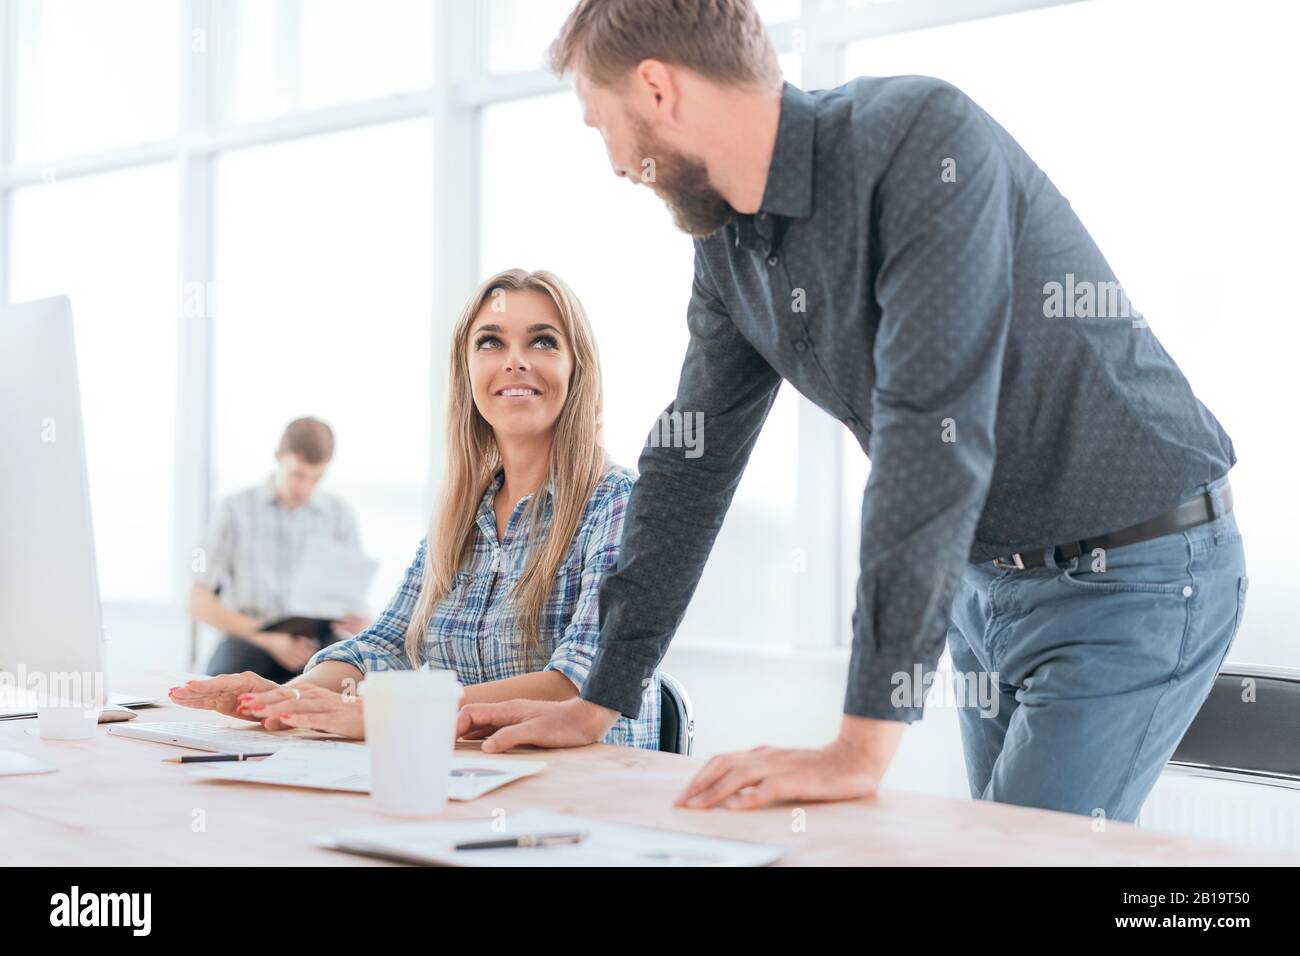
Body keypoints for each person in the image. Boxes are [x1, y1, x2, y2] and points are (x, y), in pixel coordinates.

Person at [455, 0, 1246, 822]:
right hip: (986, 584)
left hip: (1137, 571)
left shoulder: (917, 141)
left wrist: (858, 749)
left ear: (656, 89)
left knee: (1016, 859)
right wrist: (601, 696)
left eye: (601, 124)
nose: (614, 162)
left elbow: (930, 438)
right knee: (1005, 846)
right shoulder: (726, 248)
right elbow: (689, 467)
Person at [170, 269, 661, 749]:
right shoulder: (463, 514)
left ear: (577, 369)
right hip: (479, 777)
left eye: (543, 342)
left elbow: (579, 682)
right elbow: (384, 646)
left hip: (582, 788)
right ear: (466, 371)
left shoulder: (616, 500)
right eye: (490, 342)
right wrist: (291, 696)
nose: (515, 361)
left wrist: (390, 712)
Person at [188, 417, 368, 683]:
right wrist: (266, 637)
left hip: (318, 640)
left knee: (354, 685)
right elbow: (197, 601)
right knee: (218, 691)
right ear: (278, 457)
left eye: (316, 478)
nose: (305, 488)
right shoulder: (231, 510)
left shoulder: (340, 516)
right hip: (251, 636)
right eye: (298, 475)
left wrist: (358, 621)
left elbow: (348, 597)